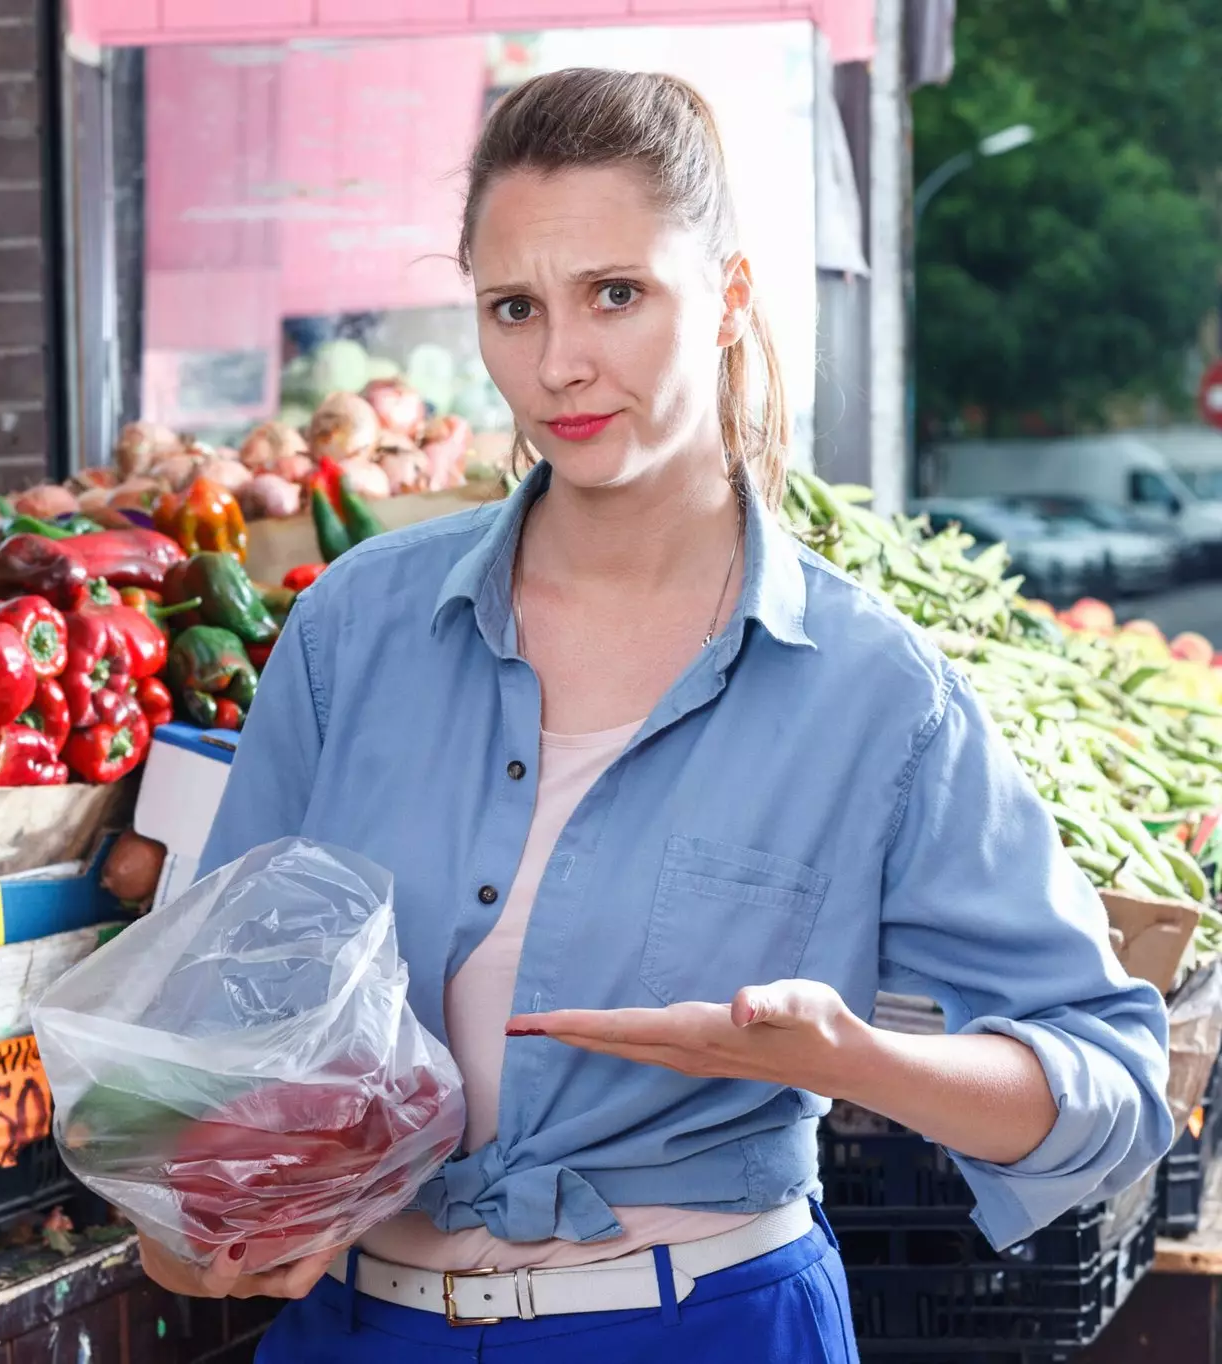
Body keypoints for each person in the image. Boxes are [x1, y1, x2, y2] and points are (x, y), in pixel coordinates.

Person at [132, 67, 1174, 1363]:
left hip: (708, 1327)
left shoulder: (870, 689)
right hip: (356, 1332)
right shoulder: (357, 627)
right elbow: (225, 1021)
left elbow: (1114, 1083)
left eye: (616, 294)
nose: (560, 362)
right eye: (515, 308)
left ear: (729, 296)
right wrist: (200, 1219)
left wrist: (853, 1059)